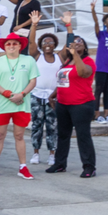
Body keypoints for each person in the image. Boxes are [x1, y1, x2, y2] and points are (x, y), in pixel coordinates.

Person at [0, 31, 38, 179]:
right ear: (4, 46)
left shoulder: (28, 60)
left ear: (20, 45)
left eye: (15, 43)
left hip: (21, 104)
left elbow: (33, 81)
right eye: (8, 44)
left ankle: (23, 167)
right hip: (2, 104)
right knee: (0, 135)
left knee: (19, 135)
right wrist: (9, 94)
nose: (11, 46)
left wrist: (22, 94)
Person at [46, 36, 96, 177]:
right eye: (74, 42)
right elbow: (63, 80)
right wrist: (53, 94)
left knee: (83, 136)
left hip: (81, 104)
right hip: (63, 103)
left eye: (80, 41)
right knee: (62, 135)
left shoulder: (88, 61)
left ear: (85, 47)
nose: (76, 43)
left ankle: (89, 167)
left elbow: (83, 73)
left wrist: (75, 54)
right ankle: (60, 164)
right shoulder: (67, 61)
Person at [26, 15, 60, 167]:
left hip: (53, 97)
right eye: (45, 42)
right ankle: (36, 152)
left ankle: (52, 154)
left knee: (52, 125)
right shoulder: (37, 56)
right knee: (37, 125)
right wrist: (34, 25)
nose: (47, 44)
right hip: (37, 95)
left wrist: (69, 25)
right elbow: (31, 41)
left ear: (55, 44)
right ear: (41, 44)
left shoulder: (60, 57)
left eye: (50, 41)